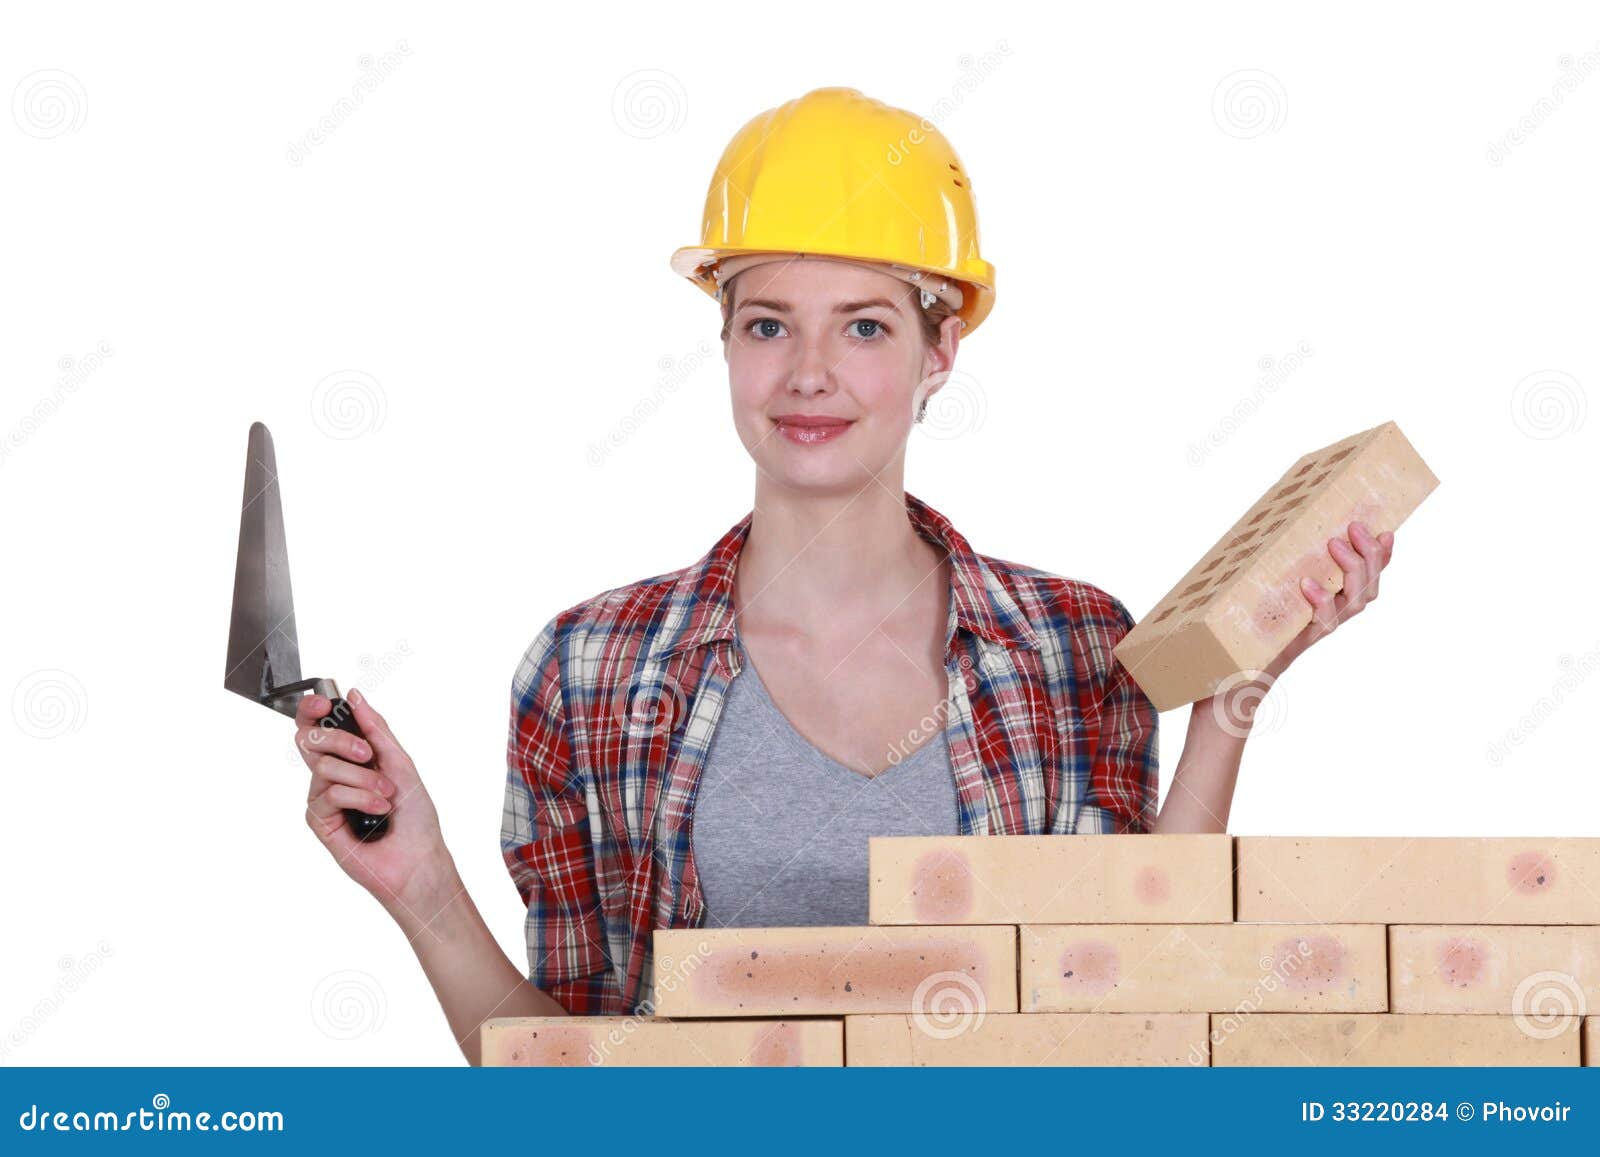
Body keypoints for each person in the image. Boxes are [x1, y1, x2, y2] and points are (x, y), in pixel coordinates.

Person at [291, 87, 1396, 1061]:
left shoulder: (1071, 645)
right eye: (768, 323)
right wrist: (424, 888)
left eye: (863, 326)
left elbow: (1143, 998)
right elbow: (568, 1083)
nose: (808, 373)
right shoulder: (589, 669)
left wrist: (1230, 701)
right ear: (724, 342)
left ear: (941, 348)